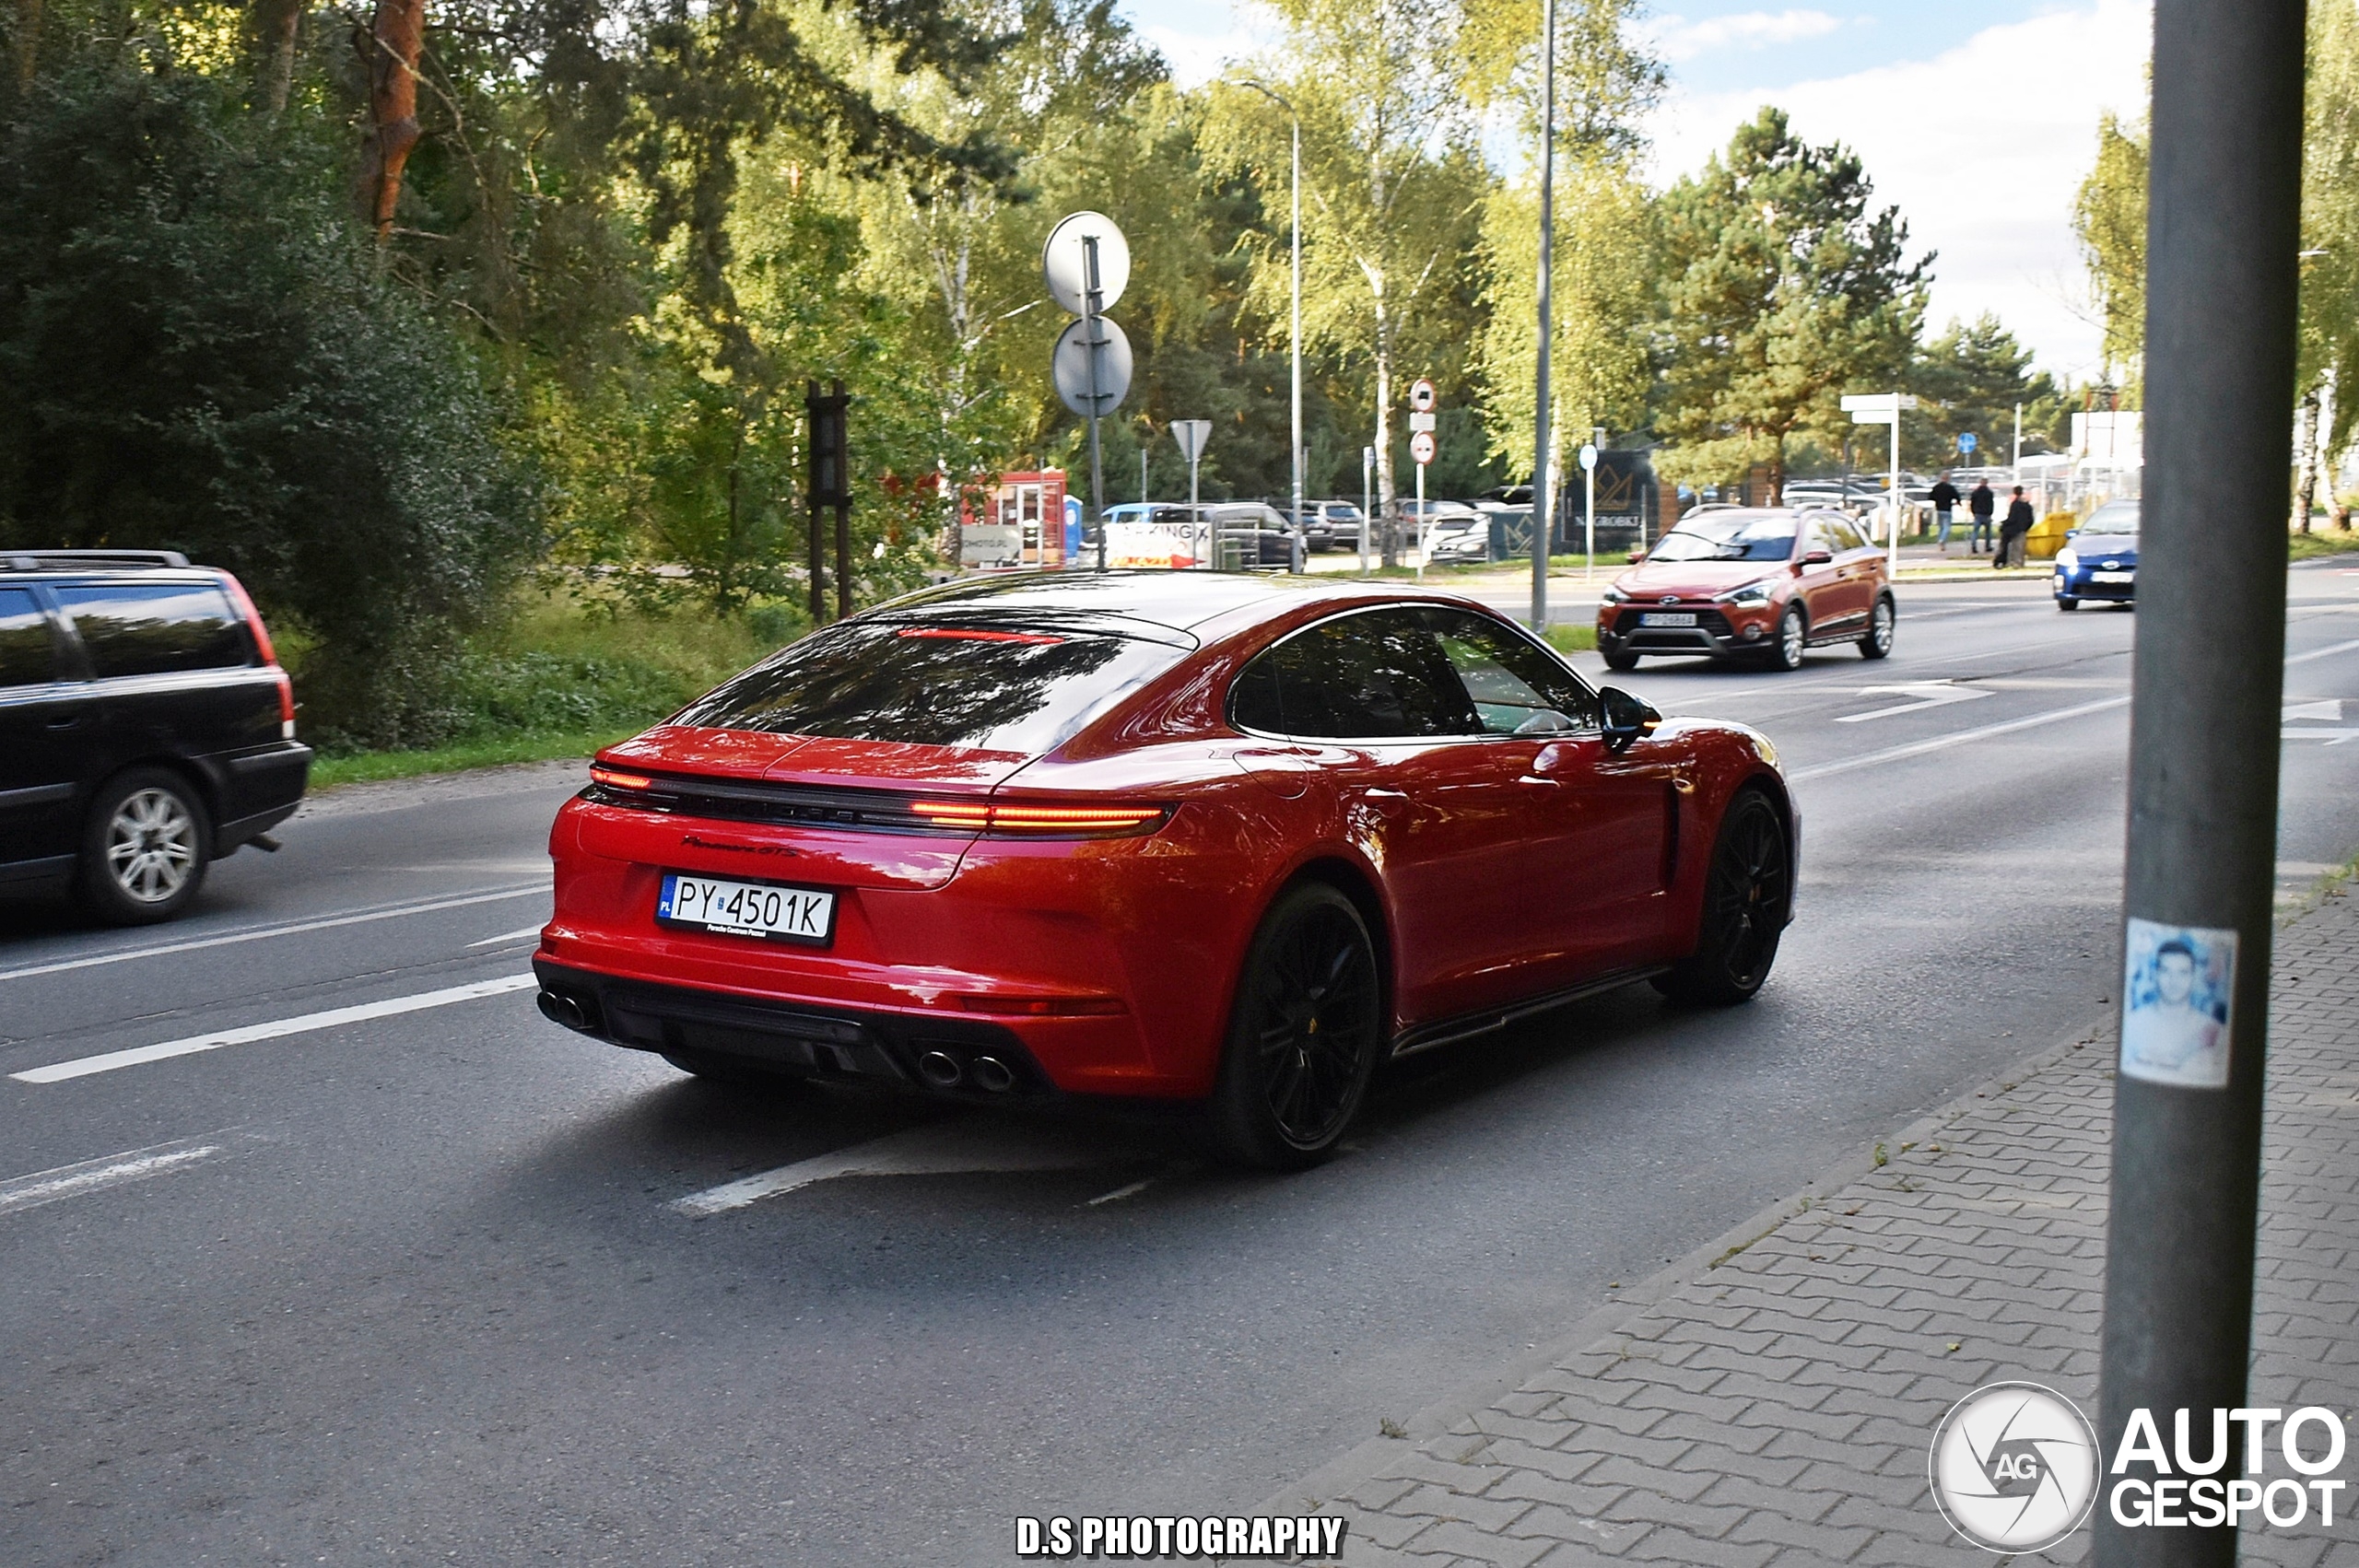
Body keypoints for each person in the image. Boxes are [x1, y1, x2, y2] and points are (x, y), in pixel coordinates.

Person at [1996, 486, 2036, 568]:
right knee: (2019, 548)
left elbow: (2012, 517)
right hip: (2022, 529)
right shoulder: (2027, 505)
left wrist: (2004, 524)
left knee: (2010, 546)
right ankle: (2019, 563)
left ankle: (2011, 562)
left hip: (2013, 528)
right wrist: (2026, 527)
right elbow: (2031, 519)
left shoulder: (2015, 504)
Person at [1929, 473, 1961, 553]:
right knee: (1947, 527)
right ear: (1948, 479)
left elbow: (1931, 497)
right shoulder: (1950, 488)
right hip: (1947, 509)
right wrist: (1958, 503)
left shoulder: (1936, 487)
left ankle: (1940, 542)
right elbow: (1957, 496)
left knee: (1941, 527)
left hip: (1939, 509)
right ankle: (1942, 540)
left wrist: (1938, 500)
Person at [1967, 478, 1996, 554]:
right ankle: (1988, 546)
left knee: (1975, 531)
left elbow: (1972, 503)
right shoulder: (1989, 493)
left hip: (1978, 513)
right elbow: (1991, 504)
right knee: (1988, 531)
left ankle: (1973, 545)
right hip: (1986, 514)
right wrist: (1990, 513)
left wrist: (1973, 512)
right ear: (1987, 483)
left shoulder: (1975, 492)